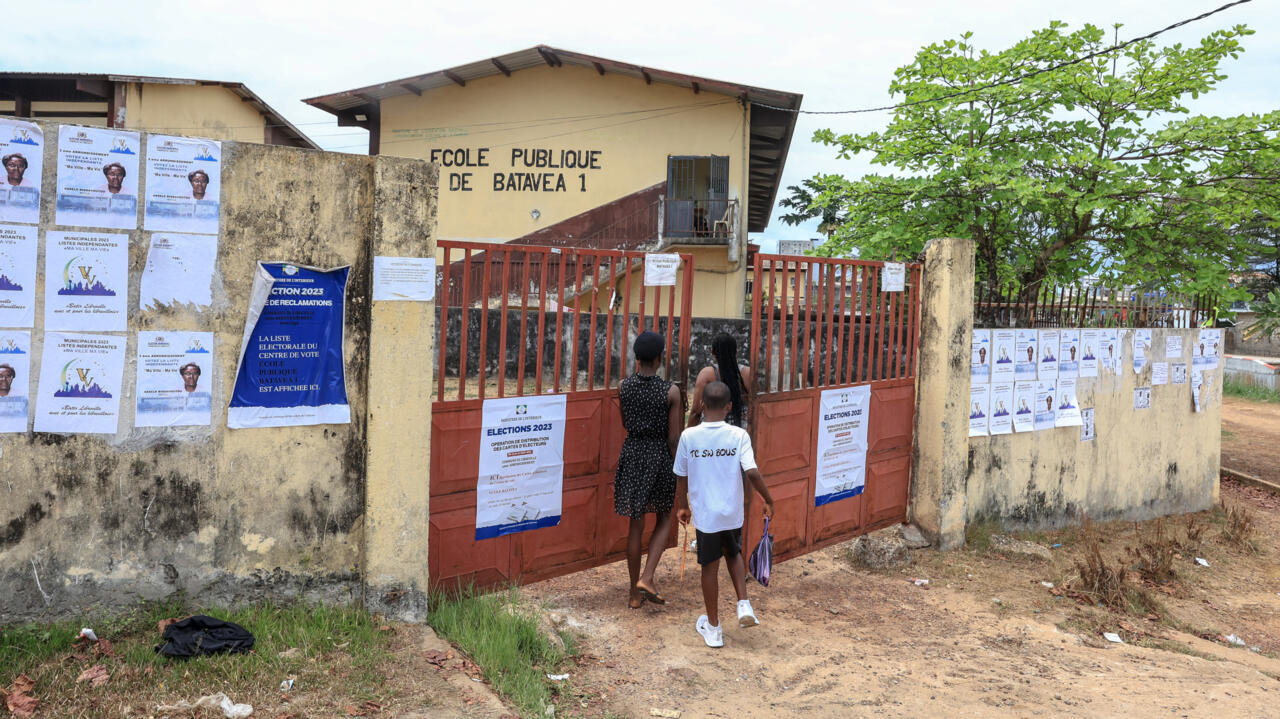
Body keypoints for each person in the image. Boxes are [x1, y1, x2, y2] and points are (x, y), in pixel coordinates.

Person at [674, 381, 775, 648]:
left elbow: (681, 474)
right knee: (733, 553)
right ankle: (744, 604)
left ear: (702, 405)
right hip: (731, 511)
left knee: (709, 566)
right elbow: (751, 472)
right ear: (729, 406)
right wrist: (768, 498)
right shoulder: (738, 435)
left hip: (706, 514)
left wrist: (682, 507)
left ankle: (714, 628)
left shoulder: (689, 436)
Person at [614, 331, 683, 609]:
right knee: (665, 516)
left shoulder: (623, 387)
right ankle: (648, 576)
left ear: (637, 358)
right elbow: (674, 438)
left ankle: (633, 594)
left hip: (632, 454)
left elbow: (624, 422)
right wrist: (681, 470)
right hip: (659, 455)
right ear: (659, 358)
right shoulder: (671, 391)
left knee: (636, 522)